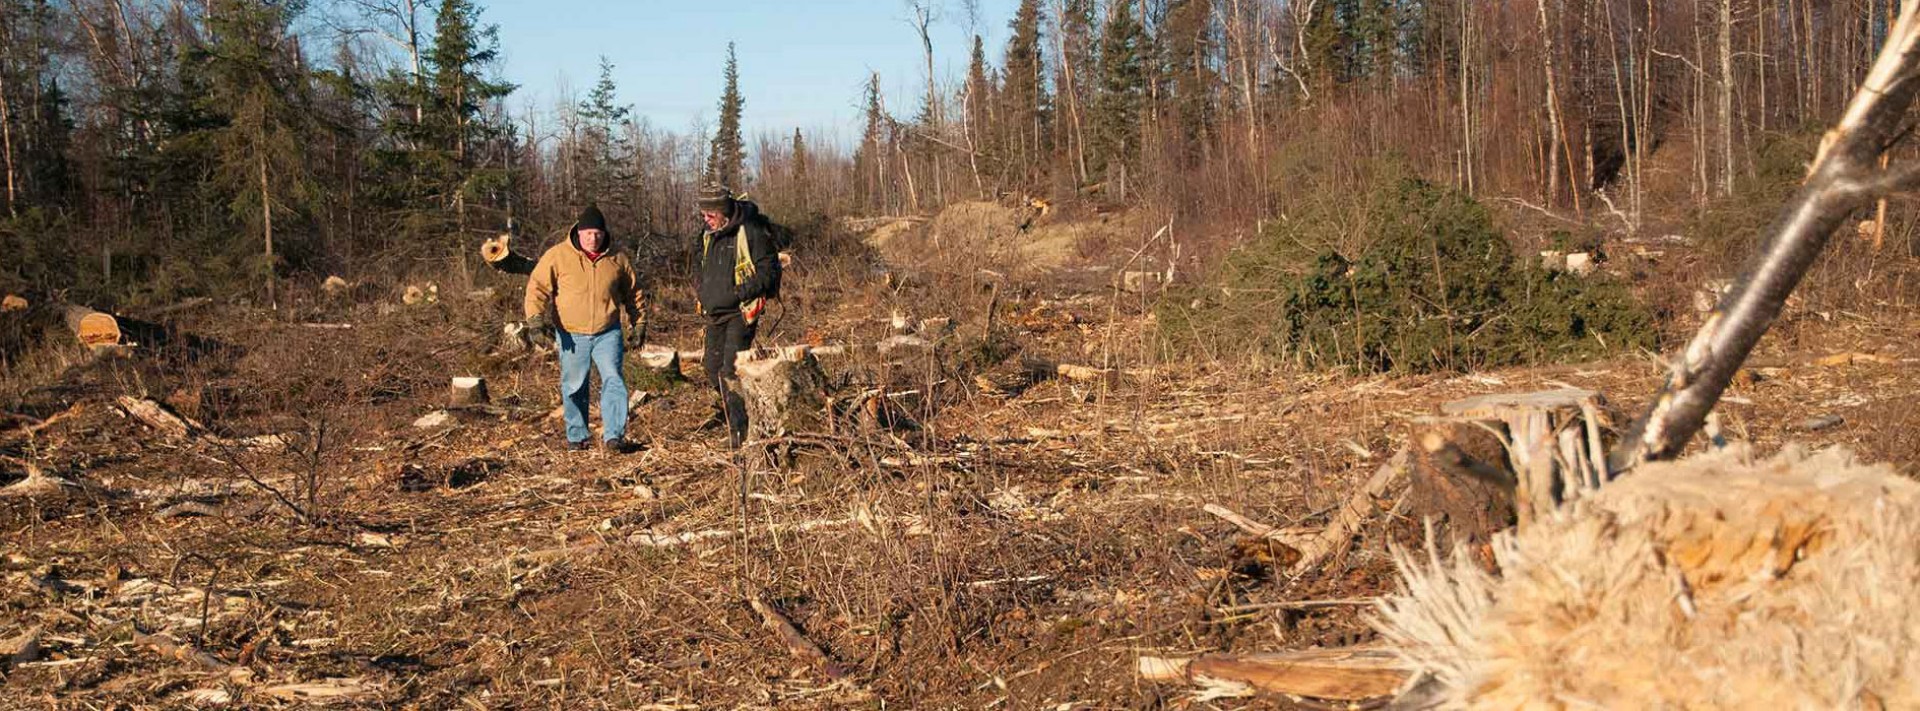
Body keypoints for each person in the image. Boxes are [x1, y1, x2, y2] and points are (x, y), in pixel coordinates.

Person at [523, 204, 646, 452]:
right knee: (574, 385)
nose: (593, 238)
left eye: (598, 233)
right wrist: (535, 321)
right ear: (579, 232)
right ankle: (577, 436)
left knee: (613, 379)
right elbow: (537, 288)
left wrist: (640, 322)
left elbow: (634, 293)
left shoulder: (617, 258)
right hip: (571, 333)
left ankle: (614, 436)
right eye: (588, 233)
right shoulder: (557, 256)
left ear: (604, 233)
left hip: (607, 331)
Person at [694, 184, 783, 448]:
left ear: (723, 211)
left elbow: (769, 272)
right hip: (714, 313)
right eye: (703, 214)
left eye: (710, 214)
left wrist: (738, 292)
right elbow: (699, 267)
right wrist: (701, 292)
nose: (706, 219)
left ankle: (740, 433)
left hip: (740, 313)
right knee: (712, 369)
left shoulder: (751, 232)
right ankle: (741, 412)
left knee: (730, 371)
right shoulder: (707, 235)